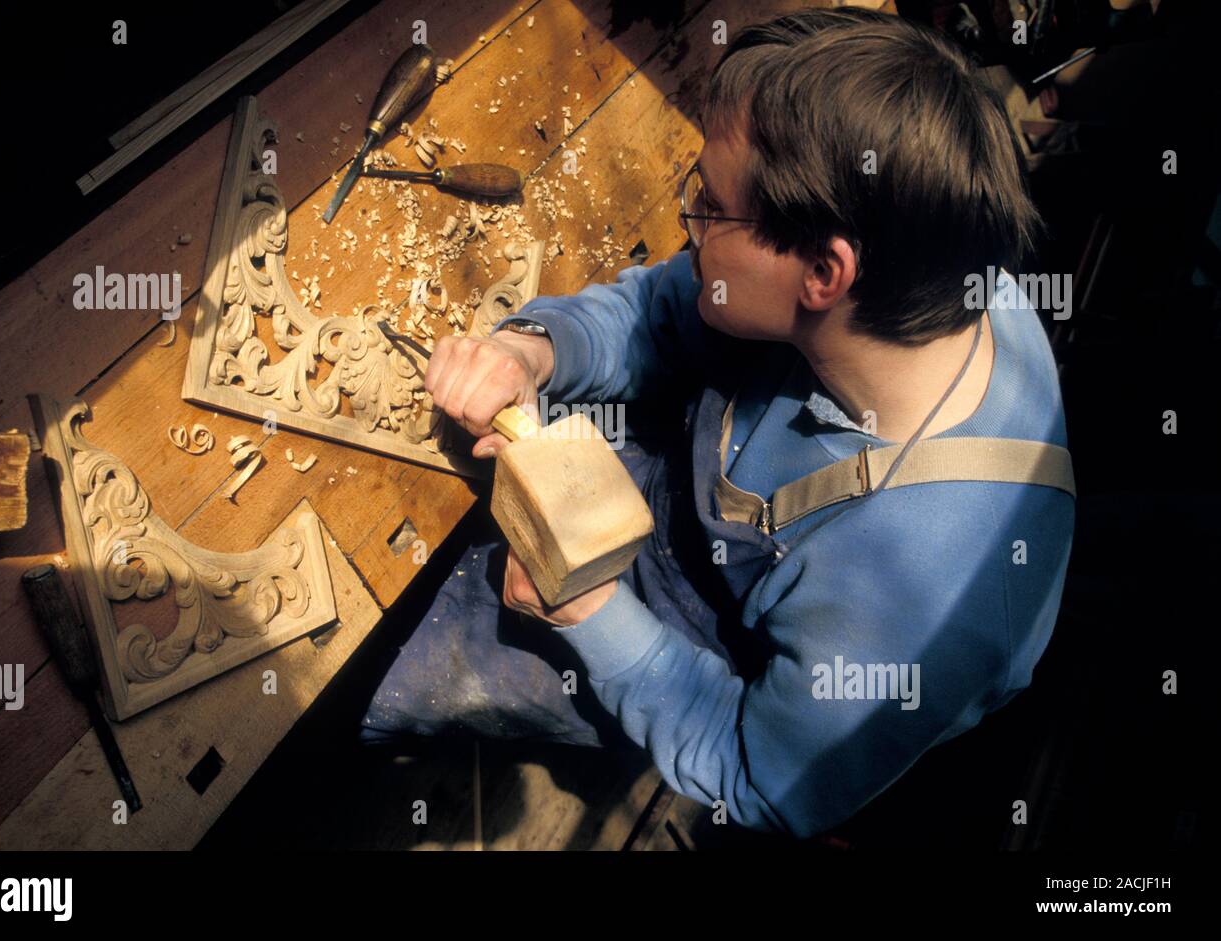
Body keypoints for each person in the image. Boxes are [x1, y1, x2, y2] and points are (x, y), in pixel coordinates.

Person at [356, 7, 1076, 838]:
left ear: (822, 271)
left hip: (696, 636)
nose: (683, 220)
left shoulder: (924, 613)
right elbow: (673, 306)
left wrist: (591, 615)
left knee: (397, 662)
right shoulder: (926, 263)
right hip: (678, 472)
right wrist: (533, 352)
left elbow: (751, 773)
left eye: (707, 205)